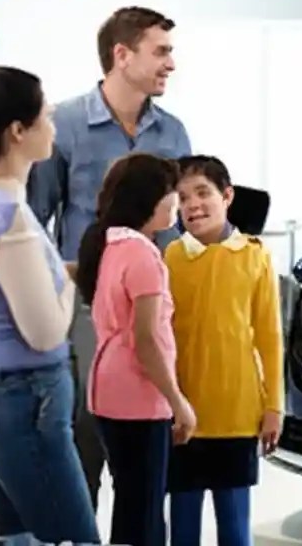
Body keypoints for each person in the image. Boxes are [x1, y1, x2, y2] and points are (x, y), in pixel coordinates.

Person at [27, 6, 192, 510]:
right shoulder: (65, 124)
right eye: (160, 51)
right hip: (85, 309)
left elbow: (179, 228)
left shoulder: (174, 133)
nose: (171, 63)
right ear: (122, 55)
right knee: (84, 441)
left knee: (144, 459)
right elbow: (35, 219)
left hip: (152, 305)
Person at [0, 66, 101, 543]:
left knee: (20, 538)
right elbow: (45, 331)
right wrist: (76, 279)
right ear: (18, 131)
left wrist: (57, 274)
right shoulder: (11, 217)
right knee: (75, 538)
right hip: (28, 400)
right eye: (45, 116)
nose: (53, 126)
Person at [75, 153, 197, 546]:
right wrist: (178, 401)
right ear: (150, 199)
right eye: (172, 194)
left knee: (130, 504)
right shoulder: (144, 254)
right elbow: (147, 341)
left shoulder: (109, 244)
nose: (177, 203)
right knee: (144, 511)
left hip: (107, 390)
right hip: (139, 396)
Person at [165, 155, 284, 546]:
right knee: (182, 527)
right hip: (183, 417)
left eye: (203, 193)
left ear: (227, 196)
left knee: (235, 528)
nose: (193, 205)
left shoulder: (255, 255)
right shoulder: (170, 258)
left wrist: (274, 407)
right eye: (183, 198)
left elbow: (269, 336)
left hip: (237, 413)